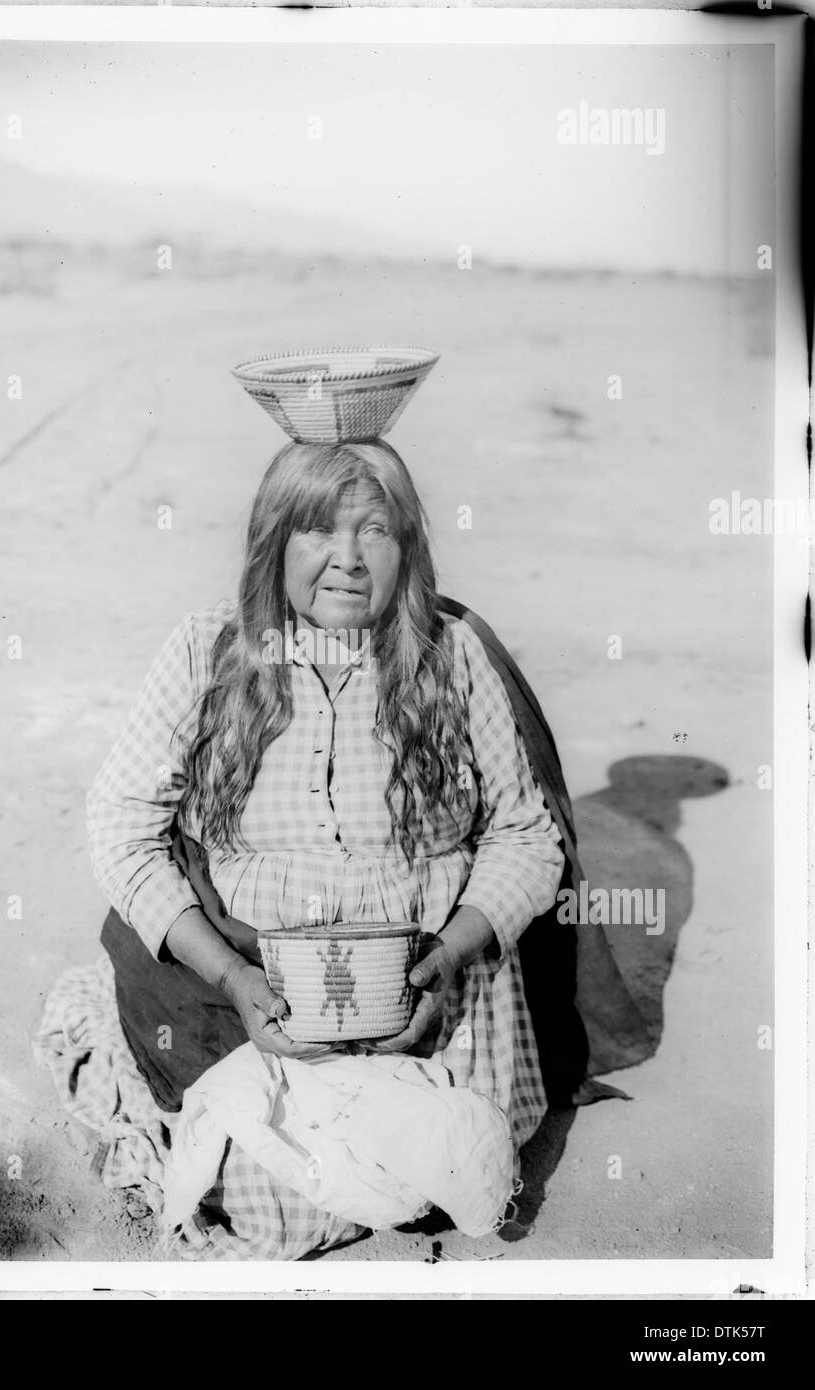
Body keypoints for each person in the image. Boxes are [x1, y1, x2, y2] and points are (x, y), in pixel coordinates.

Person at [74, 437, 567, 1258]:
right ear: (274, 543)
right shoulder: (209, 650)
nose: (346, 560)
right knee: (257, 1209)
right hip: (260, 994)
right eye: (315, 531)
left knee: (455, 1171)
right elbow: (121, 829)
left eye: (373, 530)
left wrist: (447, 957)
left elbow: (524, 834)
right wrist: (231, 979)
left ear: (407, 545)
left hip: (432, 996)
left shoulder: (453, 653)